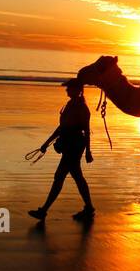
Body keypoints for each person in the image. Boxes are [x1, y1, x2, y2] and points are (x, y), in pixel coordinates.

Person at [29, 78, 95, 222]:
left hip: (75, 146)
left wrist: (88, 152)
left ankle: (44, 210)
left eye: (69, 88)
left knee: (60, 176)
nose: (66, 90)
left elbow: (87, 131)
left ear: (76, 90)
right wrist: (46, 143)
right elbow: (61, 128)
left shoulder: (82, 109)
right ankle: (89, 208)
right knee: (77, 177)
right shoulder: (70, 105)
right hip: (69, 145)